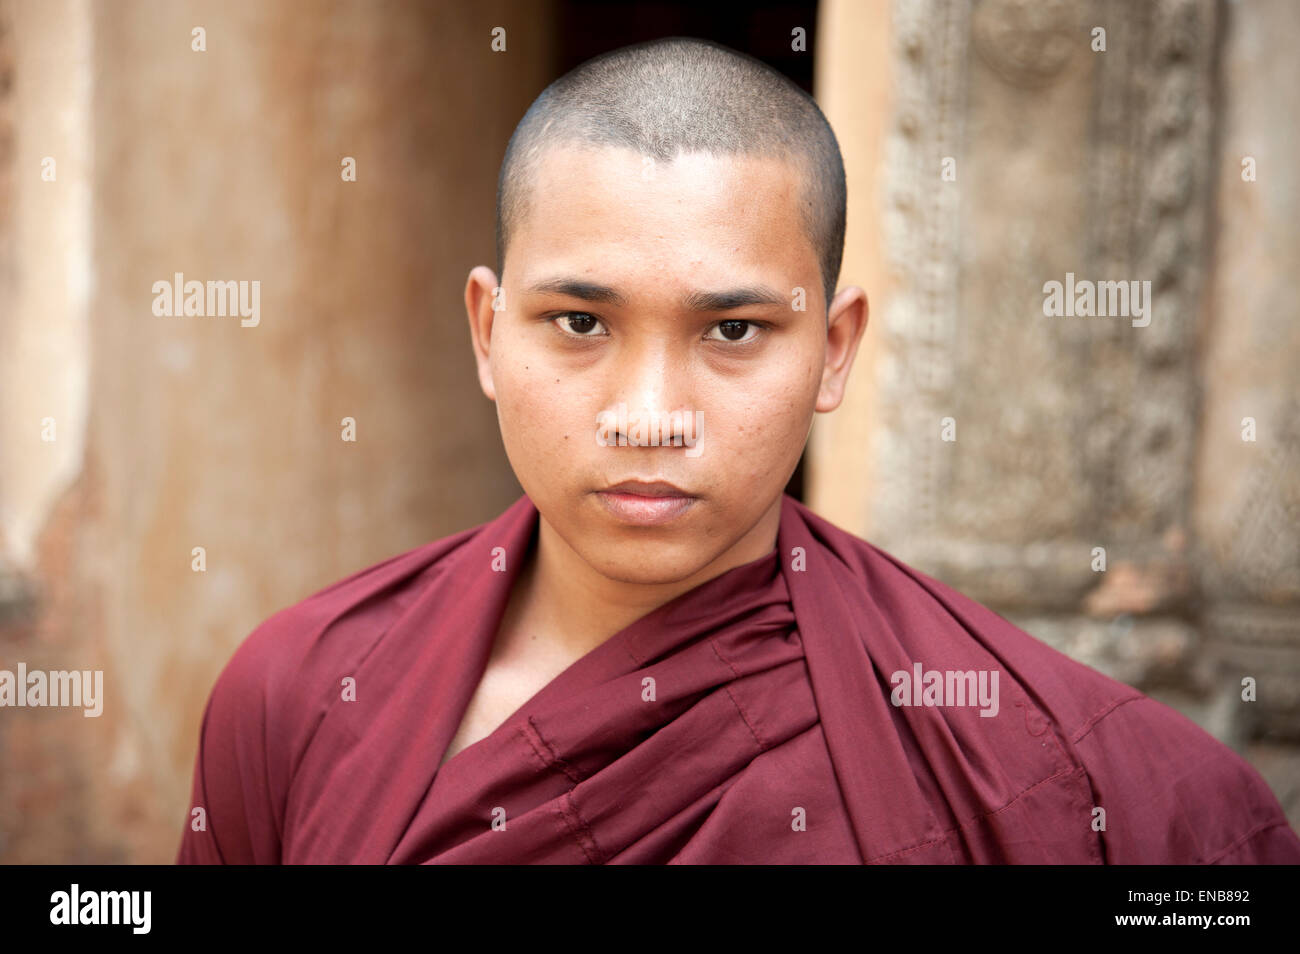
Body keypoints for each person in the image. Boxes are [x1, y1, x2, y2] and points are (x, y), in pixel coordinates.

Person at [176, 36, 1300, 864]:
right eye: (578, 324)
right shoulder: (299, 693)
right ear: (486, 330)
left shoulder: (1046, 770)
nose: (650, 414)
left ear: (833, 349)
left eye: (731, 331)